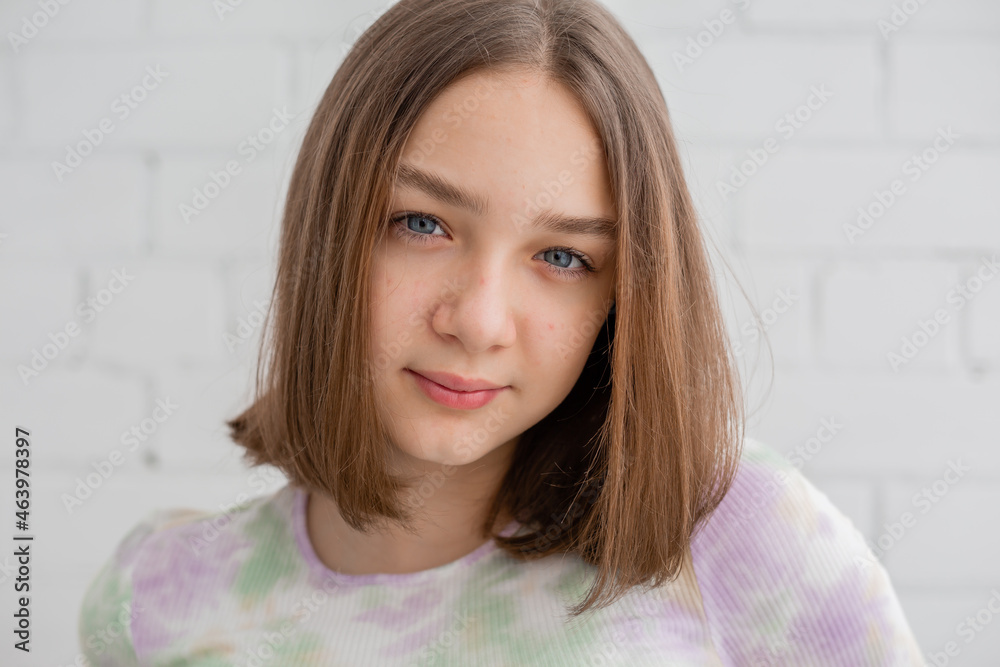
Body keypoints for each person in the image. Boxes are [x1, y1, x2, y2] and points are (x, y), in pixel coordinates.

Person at [78, 0, 925, 664]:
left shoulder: (735, 534)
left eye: (561, 255)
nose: (478, 320)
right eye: (422, 224)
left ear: (621, 297)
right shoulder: (156, 599)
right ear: (327, 228)